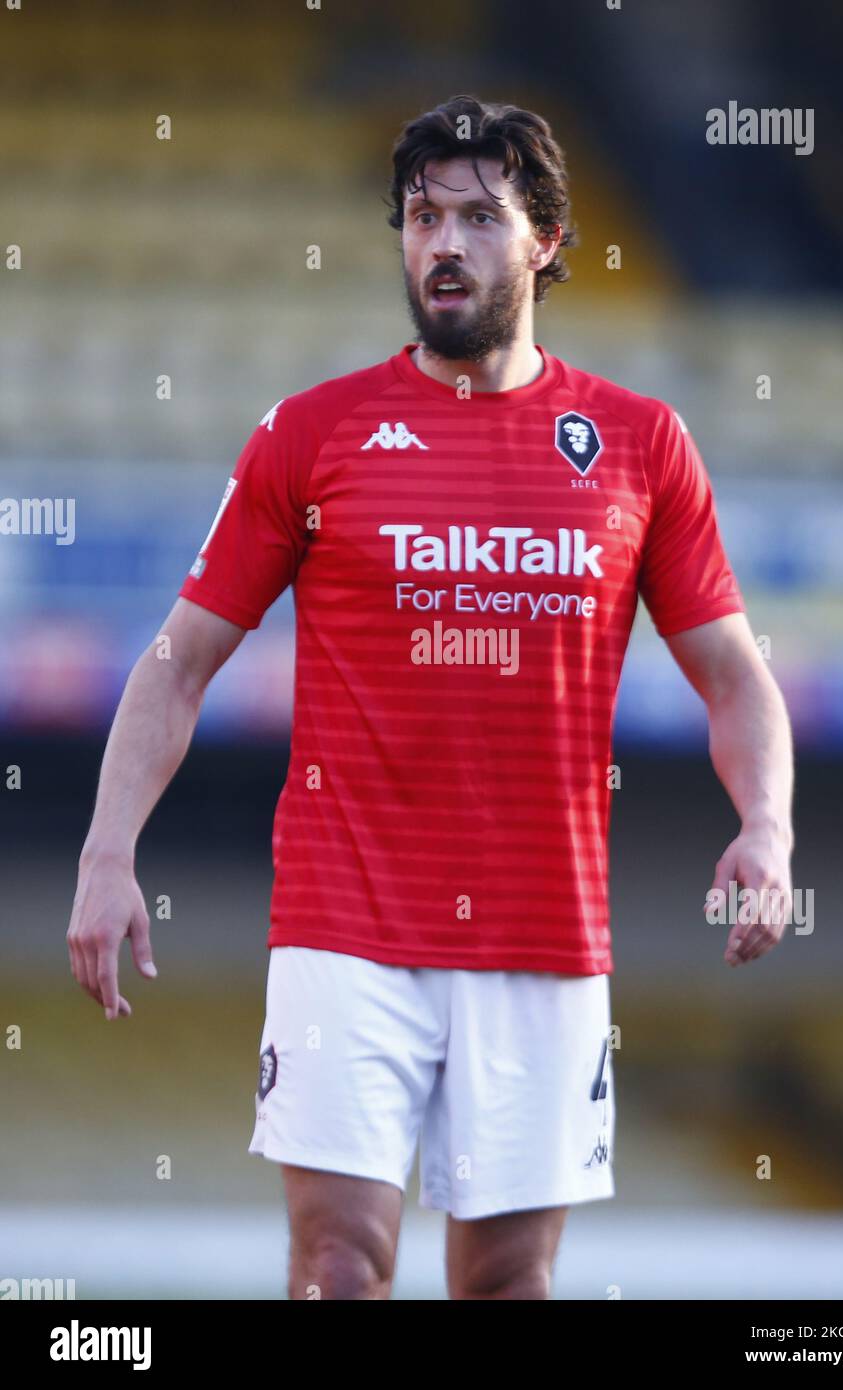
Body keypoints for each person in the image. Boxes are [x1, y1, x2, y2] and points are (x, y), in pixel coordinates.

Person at [67, 94, 794, 1300]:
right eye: (420, 216)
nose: (441, 242)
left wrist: (766, 826)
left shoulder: (637, 443)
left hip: (547, 935)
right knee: (339, 1264)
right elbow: (176, 661)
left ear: (545, 241)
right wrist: (106, 849)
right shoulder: (312, 435)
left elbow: (736, 676)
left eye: (475, 215)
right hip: (345, 925)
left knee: (508, 1280)